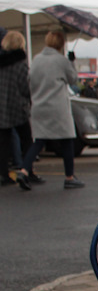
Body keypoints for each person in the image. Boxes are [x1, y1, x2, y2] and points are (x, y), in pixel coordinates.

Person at [17, 31, 83, 190]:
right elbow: (73, 79)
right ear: (61, 44)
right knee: (67, 141)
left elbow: (30, 82)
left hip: (39, 107)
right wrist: (71, 61)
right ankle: (69, 177)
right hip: (57, 108)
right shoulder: (61, 61)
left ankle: (24, 170)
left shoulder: (36, 59)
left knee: (39, 141)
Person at [0, 31, 38, 190]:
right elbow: (25, 87)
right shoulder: (21, 63)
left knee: (3, 143)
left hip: (1, 106)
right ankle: (27, 170)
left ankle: (4, 175)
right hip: (18, 107)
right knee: (27, 140)